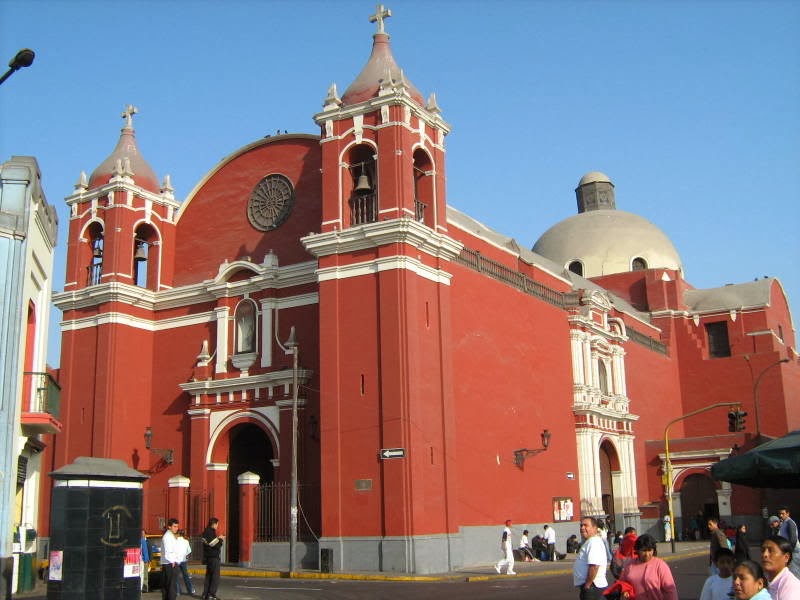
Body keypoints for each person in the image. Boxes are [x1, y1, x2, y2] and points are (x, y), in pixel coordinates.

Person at [616, 533, 678, 600]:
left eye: (649, 550)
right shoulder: (629, 565)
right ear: (637, 550)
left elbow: (670, 590)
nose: (647, 554)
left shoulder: (660, 565)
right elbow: (622, 583)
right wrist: (625, 591)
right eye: (644, 551)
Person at [572, 516, 608, 599]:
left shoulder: (593, 542)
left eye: (586, 525)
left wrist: (588, 584)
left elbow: (594, 566)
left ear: (595, 528)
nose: (582, 528)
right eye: (581, 525)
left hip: (593, 587)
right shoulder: (591, 541)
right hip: (592, 586)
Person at [760, 535, 800, 600]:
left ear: (786, 557)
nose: (765, 554)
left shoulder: (791, 587)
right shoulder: (763, 580)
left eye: (771, 551)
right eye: (762, 550)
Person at [201, 517, 225, 600]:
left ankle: (205, 594)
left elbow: (209, 543)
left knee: (208, 576)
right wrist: (221, 539)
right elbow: (216, 545)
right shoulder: (210, 532)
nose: (217, 526)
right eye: (217, 524)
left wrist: (217, 539)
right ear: (214, 524)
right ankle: (211, 594)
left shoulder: (205, 532)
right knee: (215, 577)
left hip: (208, 557)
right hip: (213, 557)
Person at [776, 506, 800, 578]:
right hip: (788, 551)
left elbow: (793, 539)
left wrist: (789, 551)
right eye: (780, 514)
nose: (781, 515)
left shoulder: (790, 523)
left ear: (788, 514)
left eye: (783, 514)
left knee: (794, 572)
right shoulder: (784, 523)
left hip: (793, 552)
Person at [161, 518, 181, 600]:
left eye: (177, 527)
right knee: (171, 587)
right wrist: (173, 561)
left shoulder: (171, 536)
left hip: (169, 563)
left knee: (168, 586)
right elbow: (168, 551)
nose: (176, 528)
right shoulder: (168, 537)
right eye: (174, 526)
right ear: (169, 527)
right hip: (170, 564)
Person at [175, 529, 196, 596]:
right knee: (186, 576)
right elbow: (189, 551)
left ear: (178, 534)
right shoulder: (186, 541)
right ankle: (190, 590)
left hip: (176, 560)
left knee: (176, 577)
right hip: (183, 560)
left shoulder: (175, 541)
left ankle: (178, 591)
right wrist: (185, 555)